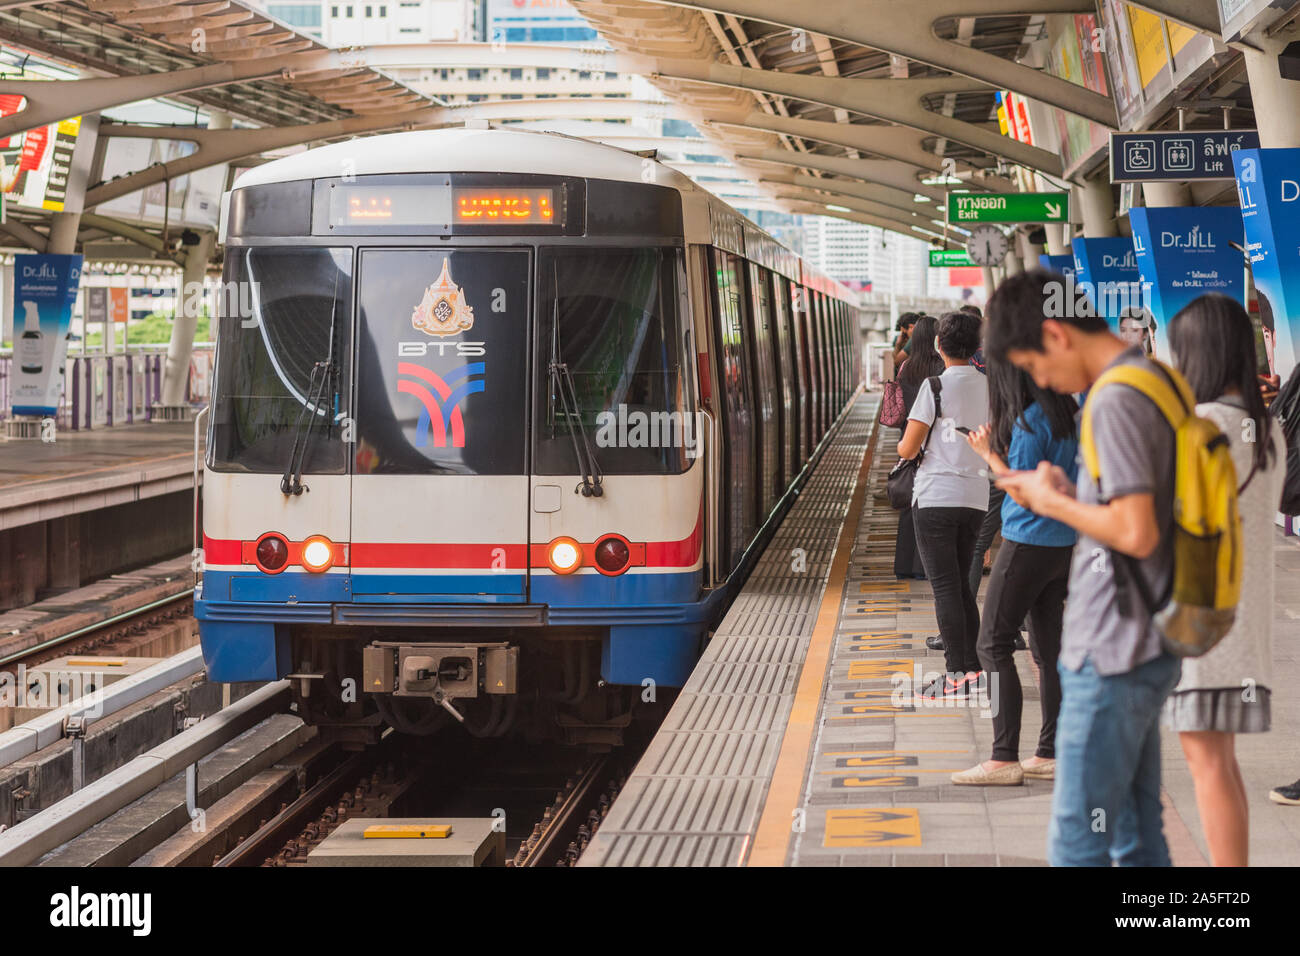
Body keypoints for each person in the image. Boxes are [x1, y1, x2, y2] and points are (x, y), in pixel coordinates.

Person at [986, 269, 1182, 866]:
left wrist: (1051, 501)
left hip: (1113, 646)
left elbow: (1135, 530)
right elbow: (1138, 503)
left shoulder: (1115, 397)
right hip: (1149, 634)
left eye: (1034, 365)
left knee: (1080, 839)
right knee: (1134, 831)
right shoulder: (1155, 380)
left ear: (1056, 334)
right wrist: (1070, 491)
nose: (1040, 381)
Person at [1163, 294, 1284, 866]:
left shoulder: (1208, 426)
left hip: (1203, 627)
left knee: (1207, 765)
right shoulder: (1265, 429)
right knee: (1219, 763)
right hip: (1241, 624)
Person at [951, 357, 1079, 785]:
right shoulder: (1070, 415)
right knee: (1047, 648)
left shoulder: (1028, 423)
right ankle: (1051, 750)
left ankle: (1003, 757)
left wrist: (989, 455)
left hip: (1027, 541)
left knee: (992, 643)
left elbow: (1025, 493)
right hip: (1063, 544)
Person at [897, 311, 989, 697]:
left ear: (939, 346)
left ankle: (956, 674)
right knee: (963, 587)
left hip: (935, 498)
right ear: (977, 348)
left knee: (946, 587)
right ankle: (975, 669)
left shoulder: (934, 387)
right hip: (976, 497)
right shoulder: (990, 386)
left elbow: (908, 446)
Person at [893, 316, 944, 579]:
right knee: (930, 503)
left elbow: (900, 406)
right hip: (936, 437)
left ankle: (903, 566)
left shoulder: (906, 368)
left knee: (908, 502)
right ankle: (923, 567)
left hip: (909, 437)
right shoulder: (941, 367)